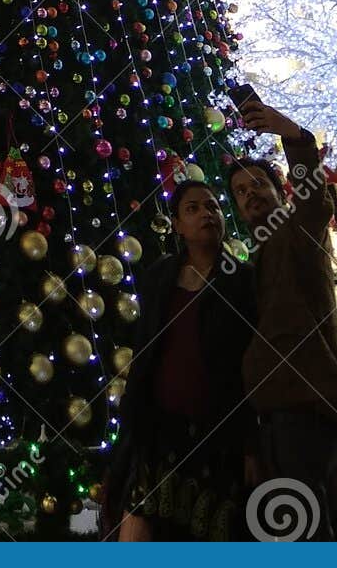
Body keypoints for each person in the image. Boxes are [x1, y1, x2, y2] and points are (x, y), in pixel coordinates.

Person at [228, 97, 337, 541]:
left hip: (306, 411)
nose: (250, 195)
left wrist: (295, 138)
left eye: (257, 185)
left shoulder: (295, 231)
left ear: (278, 188)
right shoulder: (261, 254)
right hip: (275, 417)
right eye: (240, 192)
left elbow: (315, 204)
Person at [106, 177, 256, 541]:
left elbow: (251, 366)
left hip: (218, 438)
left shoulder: (243, 280)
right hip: (158, 435)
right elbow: (145, 353)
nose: (207, 214)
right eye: (193, 209)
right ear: (176, 225)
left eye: (213, 206)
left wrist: (252, 445)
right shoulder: (160, 276)